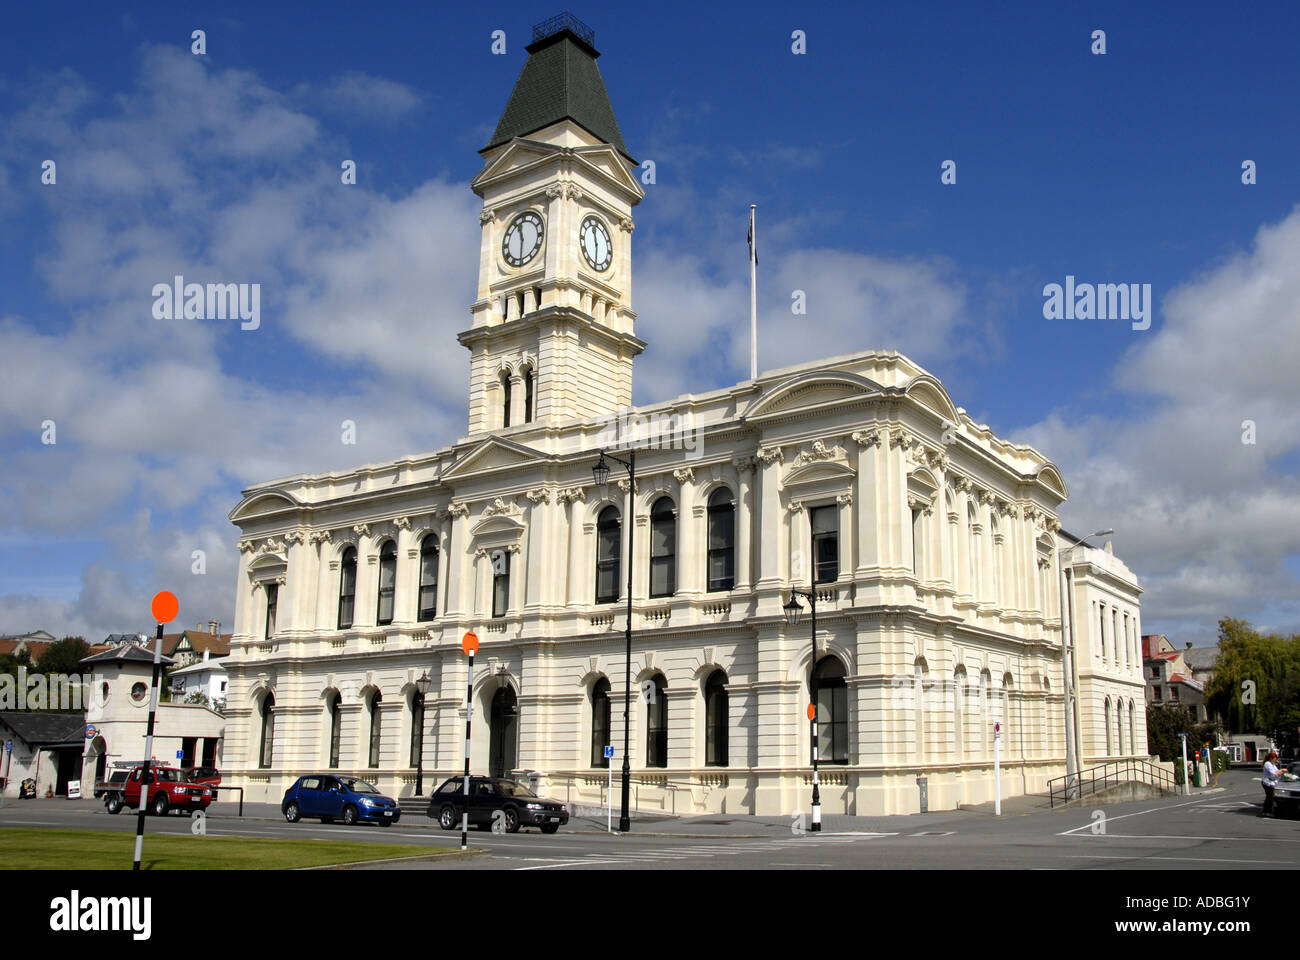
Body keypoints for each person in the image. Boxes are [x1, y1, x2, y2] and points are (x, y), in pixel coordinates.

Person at [1260, 752, 1280, 817]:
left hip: (1271, 783)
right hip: (1267, 783)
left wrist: (1280, 772)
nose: (1276, 760)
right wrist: (1281, 771)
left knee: (1269, 797)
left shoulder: (1272, 764)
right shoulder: (1267, 764)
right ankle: (1267, 812)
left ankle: (1266, 811)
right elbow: (1273, 773)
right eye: (1275, 758)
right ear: (1271, 758)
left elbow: (1277, 771)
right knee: (1270, 798)